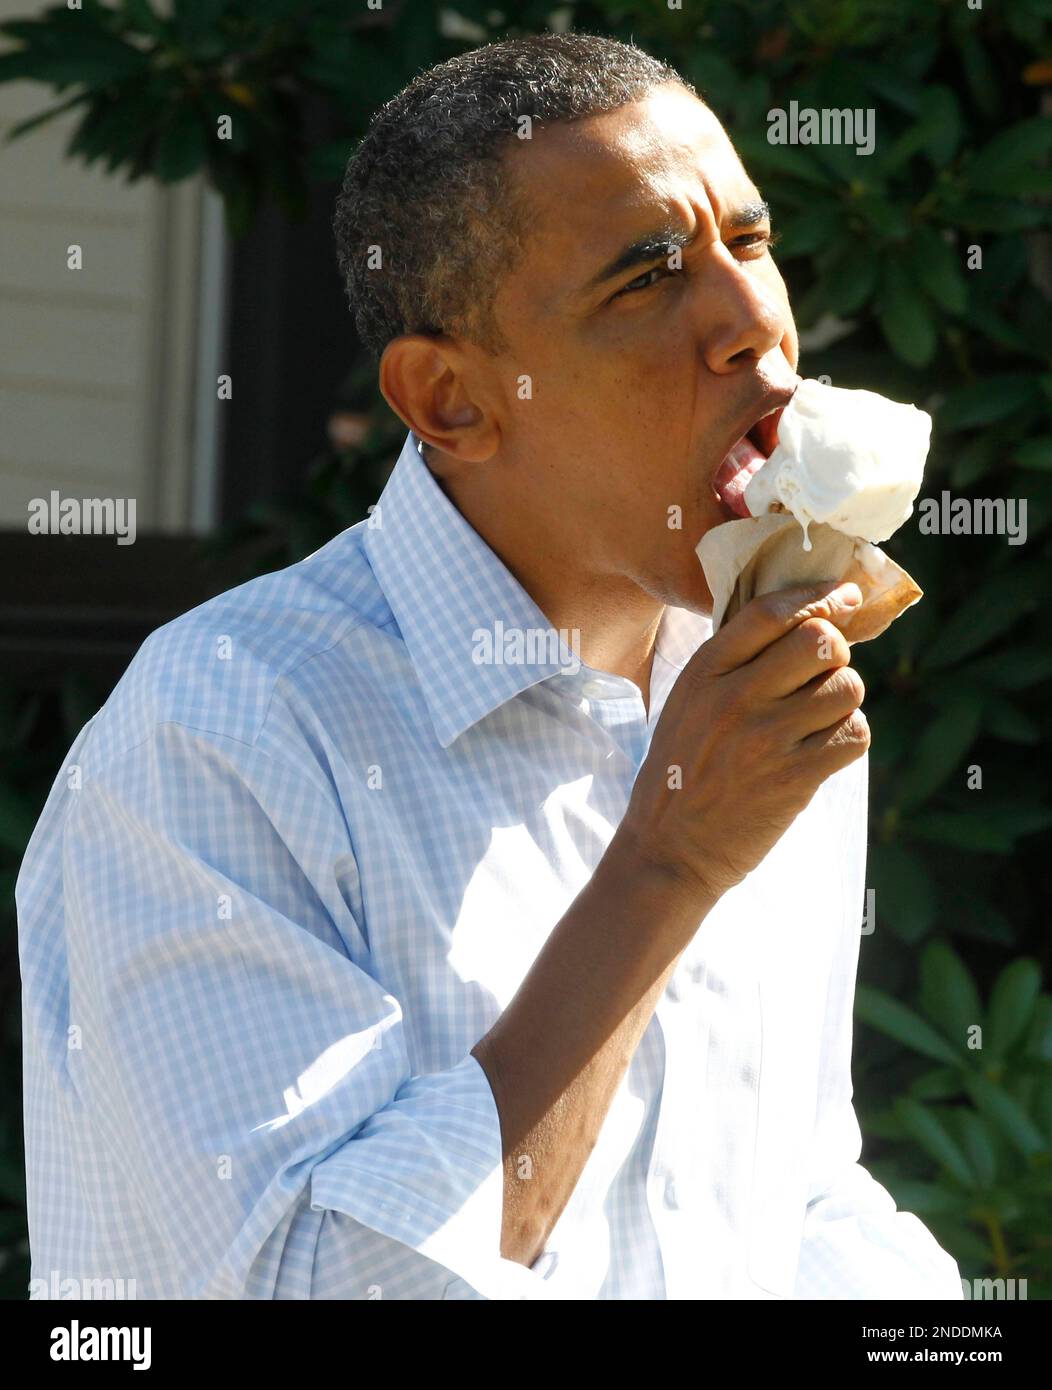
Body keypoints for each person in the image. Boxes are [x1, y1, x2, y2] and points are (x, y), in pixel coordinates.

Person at [17, 31, 962, 1300]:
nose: (751, 324)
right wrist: (668, 864)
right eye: (645, 279)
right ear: (450, 400)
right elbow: (315, 1287)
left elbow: (774, 1188)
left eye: (748, 242)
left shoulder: (755, 681)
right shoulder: (220, 737)